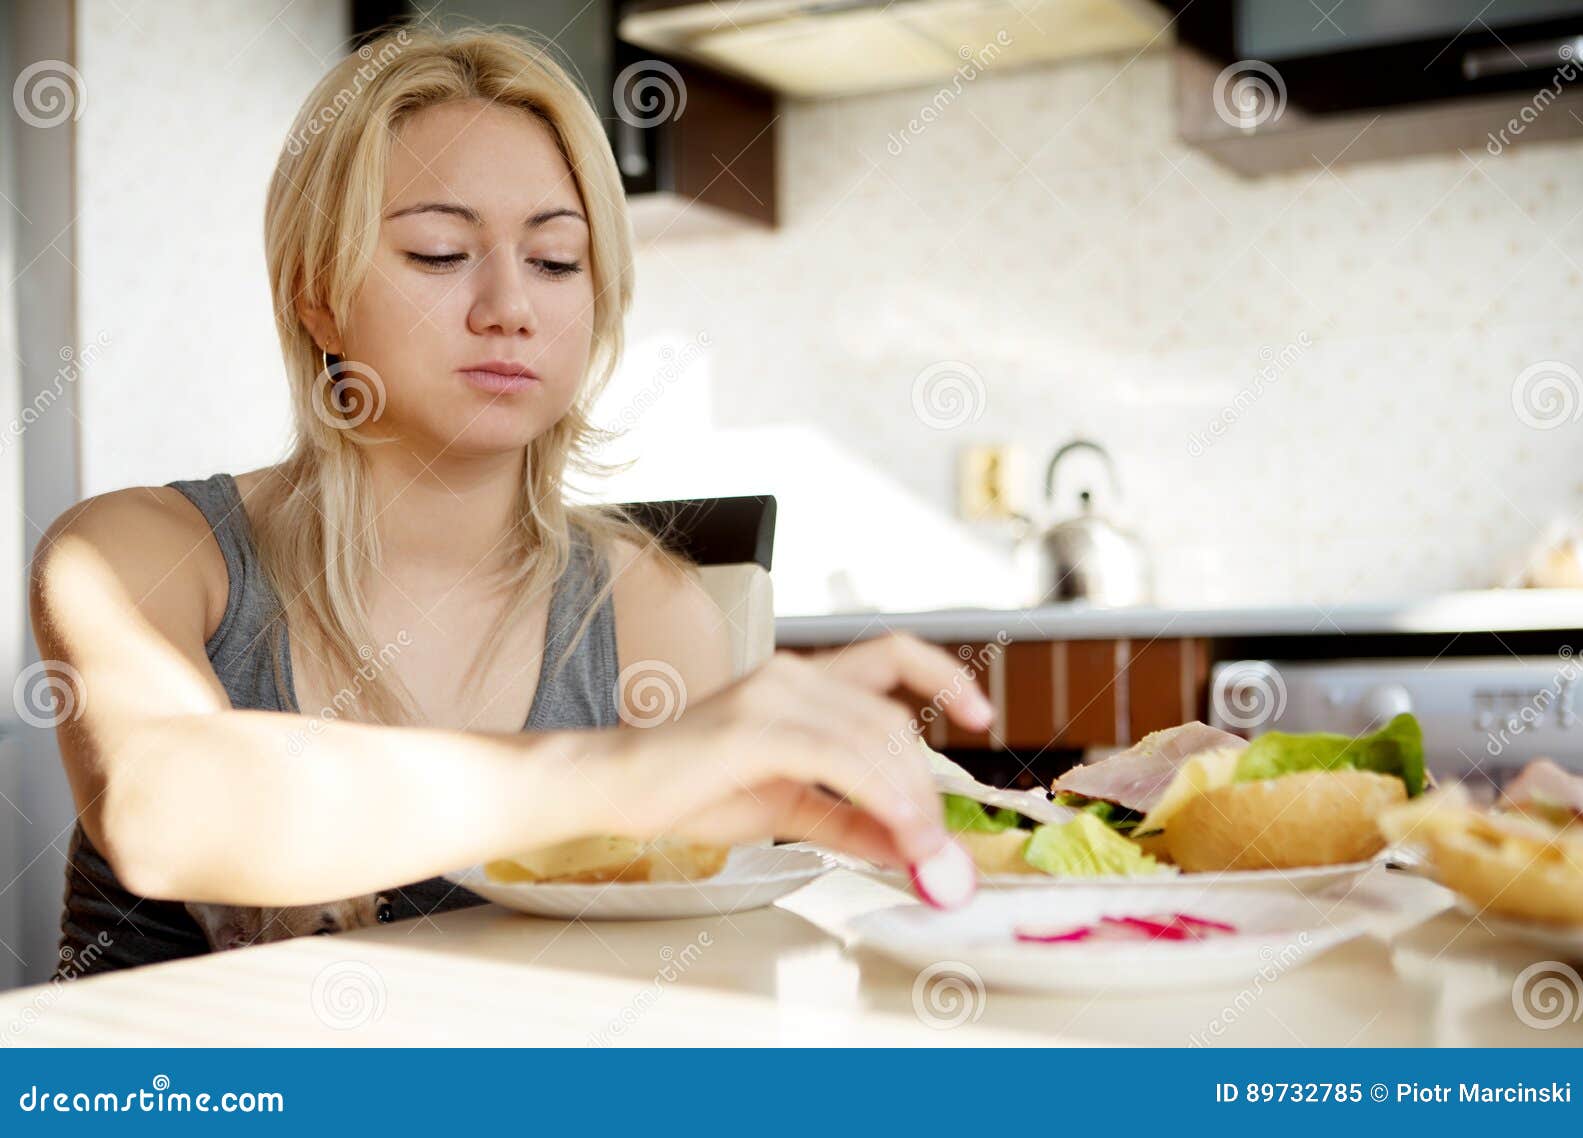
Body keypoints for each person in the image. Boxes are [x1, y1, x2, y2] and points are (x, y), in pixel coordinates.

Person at [27, 25, 984, 975]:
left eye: (557, 261)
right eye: (441, 253)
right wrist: (620, 776)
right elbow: (162, 809)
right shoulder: (130, 552)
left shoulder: (650, 614)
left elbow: (680, 987)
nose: (509, 306)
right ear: (317, 296)